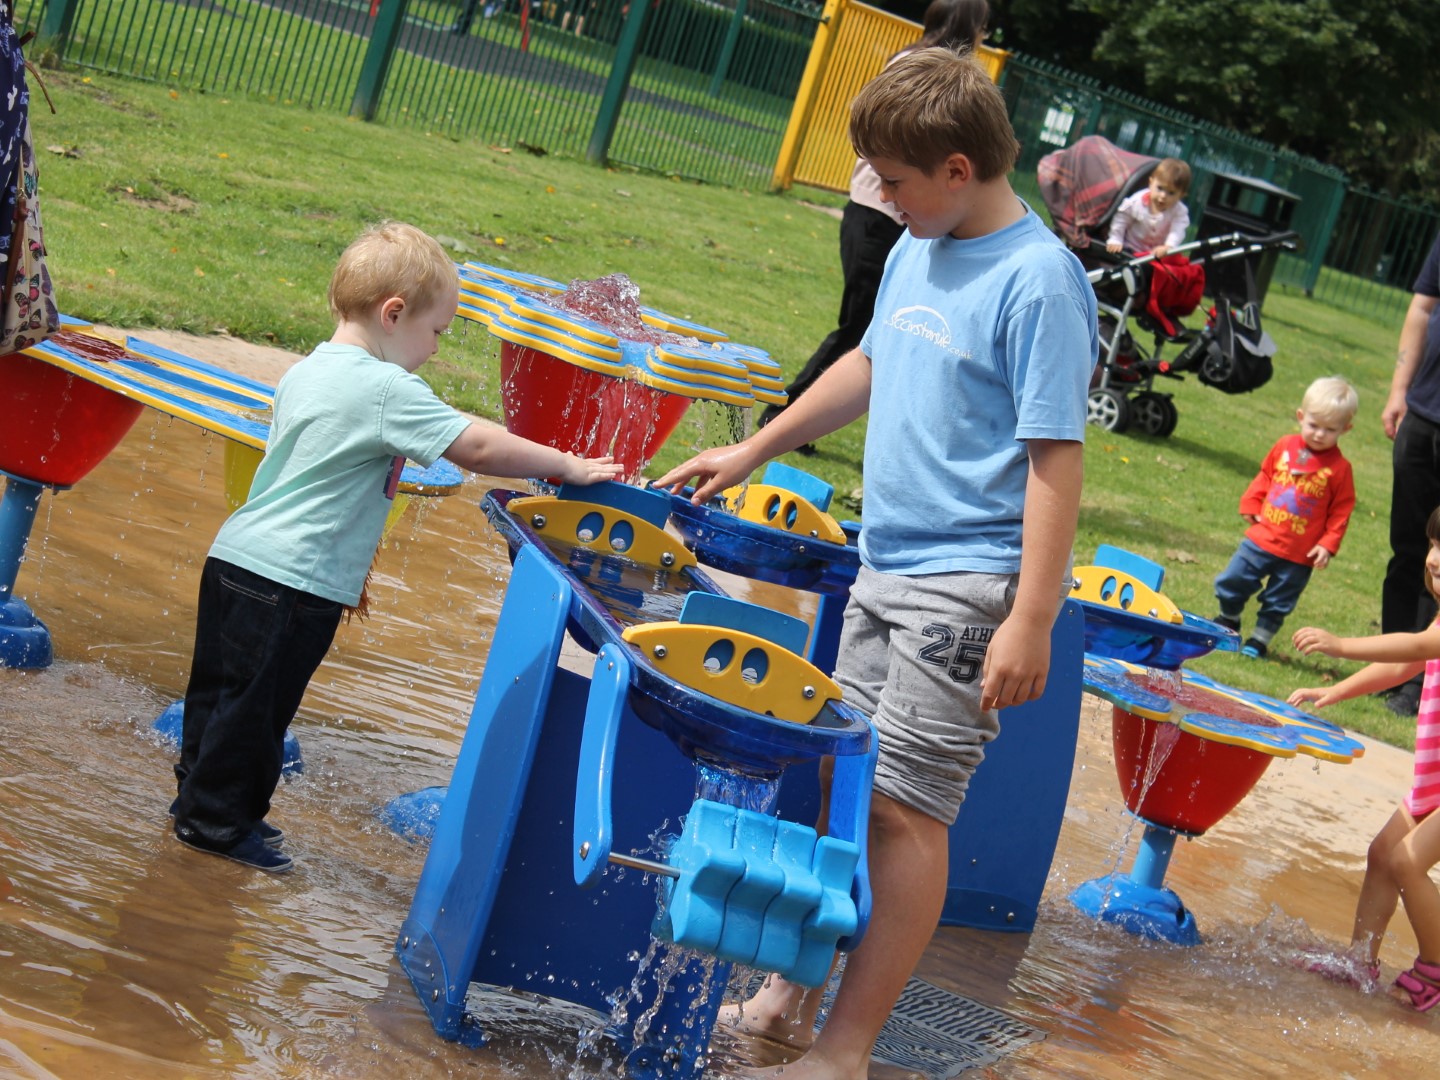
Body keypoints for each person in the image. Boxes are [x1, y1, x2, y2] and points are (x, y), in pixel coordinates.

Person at [656, 47, 1096, 1078]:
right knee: (837, 779)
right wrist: (758, 444)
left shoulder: (1040, 283)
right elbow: (869, 361)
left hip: (970, 585)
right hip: (884, 563)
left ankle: (846, 1048)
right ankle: (784, 1001)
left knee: (904, 810)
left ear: (956, 168)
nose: (882, 202)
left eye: (894, 183)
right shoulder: (919, 245)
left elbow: (1055, 462)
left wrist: (1031, 617)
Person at [171, 221, 622, 873]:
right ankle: (213, 832)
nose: (436, 350)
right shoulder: (383, 388)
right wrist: (568, 465)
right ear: (394, 314)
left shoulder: (309, 370)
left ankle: (201, 803)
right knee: (259, 711)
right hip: (292, 583)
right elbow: (477, 445)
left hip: (238, 559)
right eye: (437, 332)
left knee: (219, 697)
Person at [755, 0, 991, 449]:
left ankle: (787, 417)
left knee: (867, 330)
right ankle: (784, 414)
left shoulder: (937, 73)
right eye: (983, 27)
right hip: (876, 219)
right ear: (971, 25)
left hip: (889, 221)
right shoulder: (922, 71)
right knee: (860, 330)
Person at [1287, 504, 1440, 1011]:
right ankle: (1359, 961)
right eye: (1434, 545)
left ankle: (1435, 967)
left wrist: (1340, 645)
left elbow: (1416, 642)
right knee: (1383, 856)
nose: (1435, 559)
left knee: (1407, 862)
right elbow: (1409, 661)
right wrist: (1339, 692)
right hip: (1432, 779)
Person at [1213, 375, 1358, 659]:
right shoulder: (1284, 446)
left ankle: (1259, 640)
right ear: (1301, 416)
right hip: (1262, 538)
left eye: (1330, 430)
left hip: (1298, 553)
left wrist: (1328, 544)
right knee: (1232, 580)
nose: (1319, 434)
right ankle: (1228, 619)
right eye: (1313, 425)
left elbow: (1342, 509)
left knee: (1279, 601)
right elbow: (1266, 474)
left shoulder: (1340, 469)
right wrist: (1252, 502)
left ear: (1346, 429)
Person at [1380, 230, 1440, 717]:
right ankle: (1389, 667)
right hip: (1422, 414)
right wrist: (1400, 389)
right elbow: (1422, 307)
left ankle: (1421, 685)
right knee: (1408, 550)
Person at [1105, 157, 1192, 258]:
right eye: (1160, 188)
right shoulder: (1137, 202)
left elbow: (1177, 230)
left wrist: (1168, 246)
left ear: (1181, 195)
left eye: (1171, 193)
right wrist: (1116, 238)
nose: (1163, 196)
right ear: (1151, 183)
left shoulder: (1179, 211)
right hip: (1129, 249)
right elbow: (1122, 219)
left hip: (1156, 254)